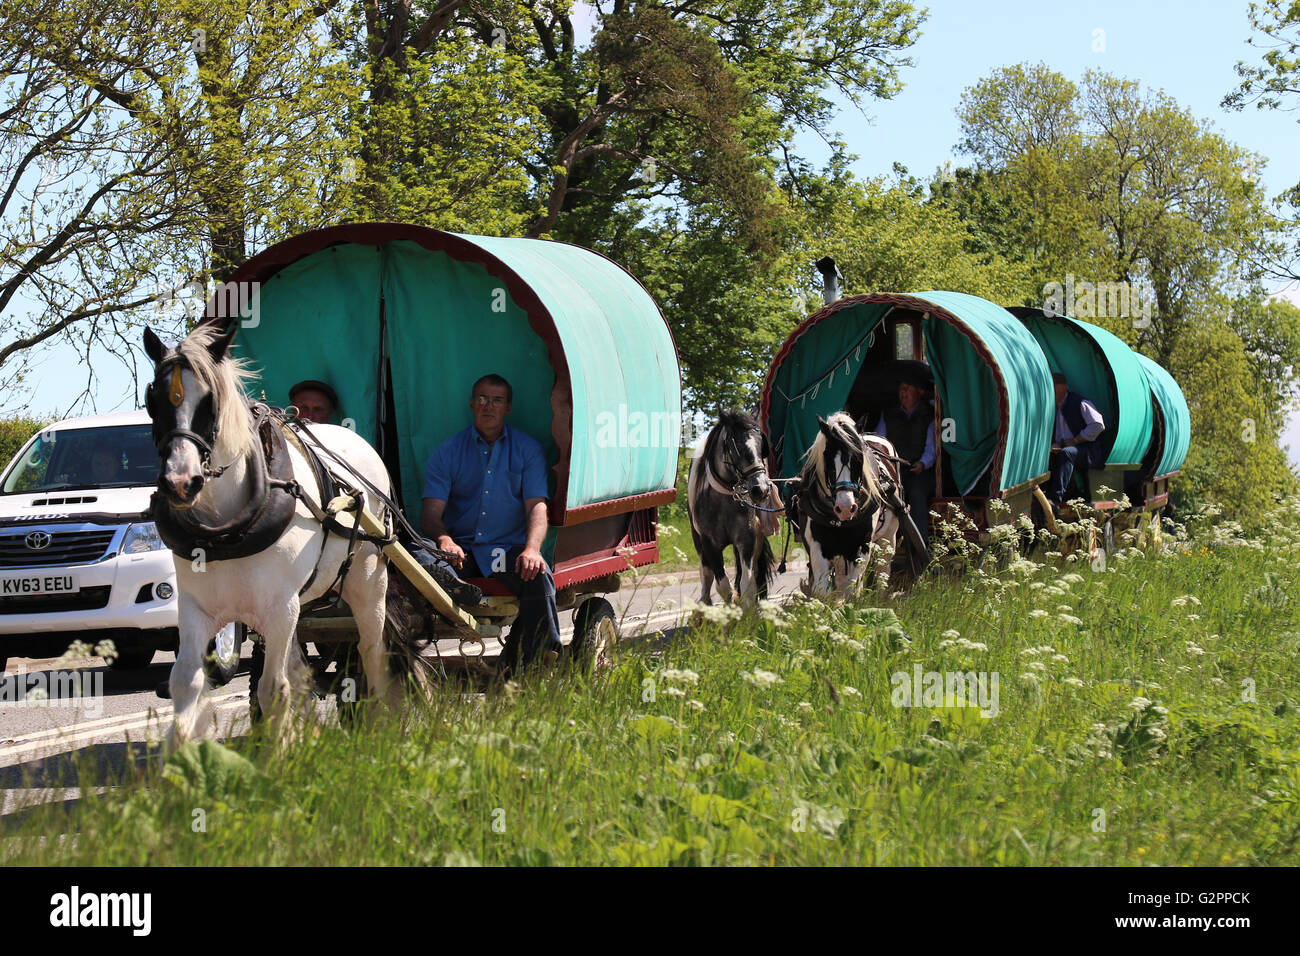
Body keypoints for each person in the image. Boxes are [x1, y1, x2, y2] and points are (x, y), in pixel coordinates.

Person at [421, 374, 561, 676]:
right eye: (482, 399)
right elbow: (430, 514)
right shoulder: (448, 451)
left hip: (506, 552)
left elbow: (537, 506)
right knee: (413, 553)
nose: (489, 406)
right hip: (461, 555)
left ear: (508, 408)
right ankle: (454, 594)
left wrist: (533, 549)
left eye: (497, 401)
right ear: (472, 404)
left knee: (538, 575)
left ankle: (538, 661)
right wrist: (444, 539)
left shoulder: (527, 449)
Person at [873, 371, 936, 550]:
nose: (903, 393)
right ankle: (877, 544)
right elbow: (879, 442)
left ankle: (921, 547)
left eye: (908, 389)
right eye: (901, 389)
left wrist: (923, 463)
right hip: (894, 472)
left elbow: (932, 448)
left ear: (920, 392)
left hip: (920, 471)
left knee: (916, 494)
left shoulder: (930, 415)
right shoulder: (888, 415)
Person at [1049, 372, 1106, 504]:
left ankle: (1055, 498)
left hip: (1087, 450)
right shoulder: (1052, 407)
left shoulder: (1080, 402)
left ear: (1062, 387)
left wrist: (1075, 440)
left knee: (1067, 452)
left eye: (1053, 386)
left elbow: (1098, 425)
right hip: (1064, 447)